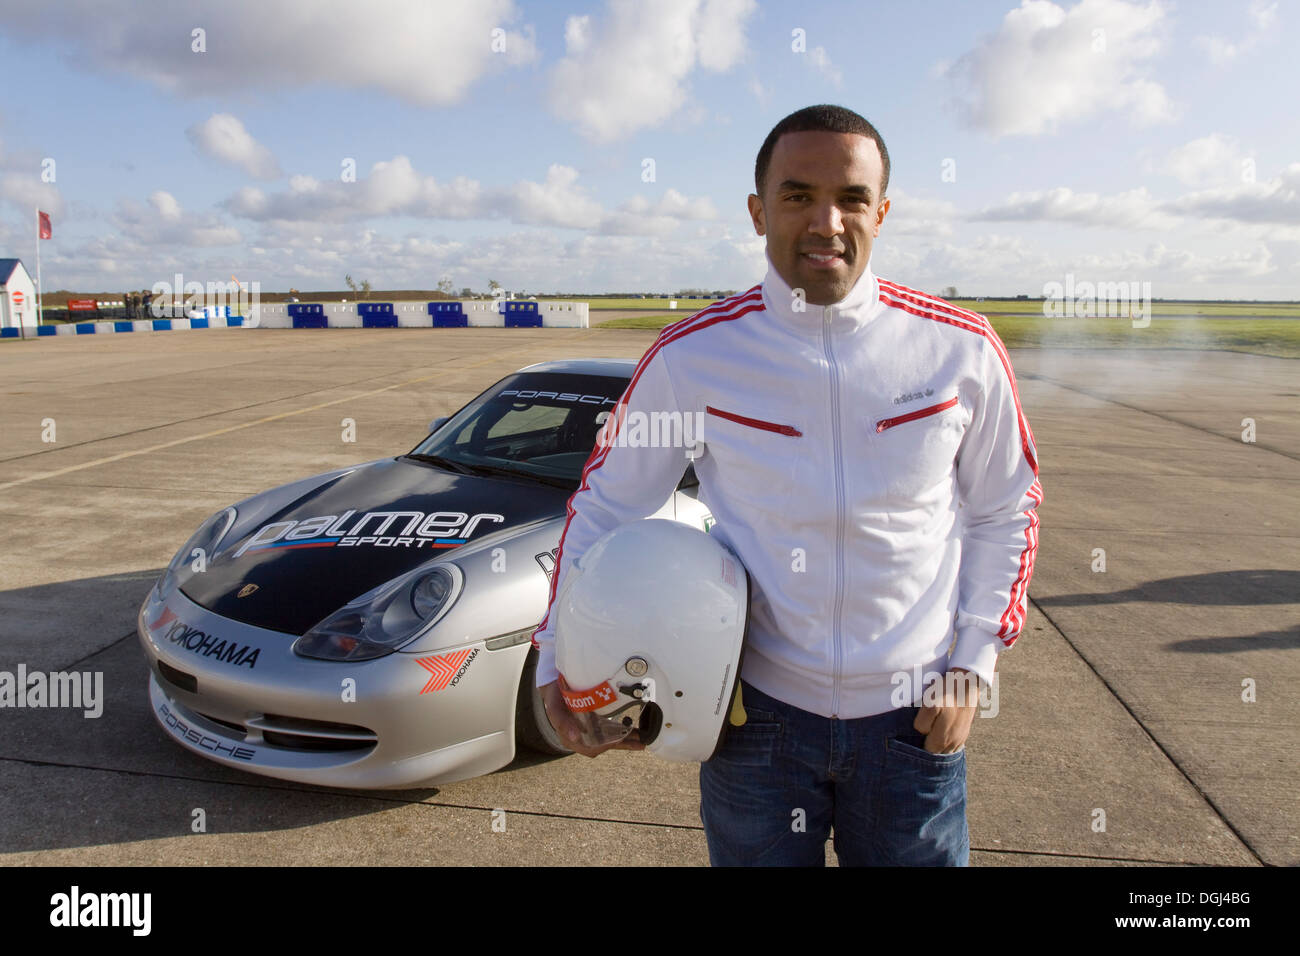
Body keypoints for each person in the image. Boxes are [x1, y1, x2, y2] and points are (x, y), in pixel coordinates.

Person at [530, 104, 1042, 866]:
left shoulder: (959, 349)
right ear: (758, 211)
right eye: (798, 195)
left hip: (916, 719)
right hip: (752, 723)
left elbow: (1008, 508)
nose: (826, 221)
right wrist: (555, 656)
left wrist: (975, 662)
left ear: (883, 211)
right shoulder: (693, 357)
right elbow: (608, 504)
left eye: (852, 198)